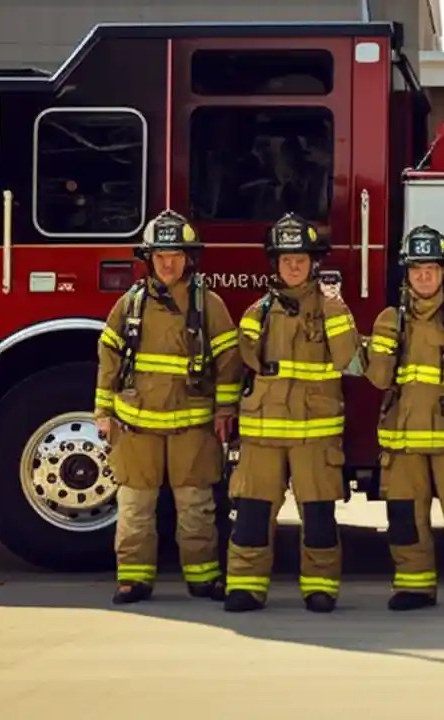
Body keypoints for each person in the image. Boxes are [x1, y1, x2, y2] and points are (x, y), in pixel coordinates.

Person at [95, 209, 242, 605]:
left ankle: (203, 577)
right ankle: (133, 580)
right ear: (149, 259)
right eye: (160, 256)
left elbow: (229, 363)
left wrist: (225, 412)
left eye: (175, 255)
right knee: (135, 507)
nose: (168, 263)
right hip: (135, 427)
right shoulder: (130, 305)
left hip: (192, 429)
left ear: (188, 258)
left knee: (196, 507)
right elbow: (109, 360)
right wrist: (103, 414)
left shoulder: (210, 305)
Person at [223, 212, 361, 614]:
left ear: (314, 263)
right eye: (286, 260)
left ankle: (320, 588)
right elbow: (238, 368)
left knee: (318, 514)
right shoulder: (256, 313)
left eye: (301, 259)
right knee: (251, 513)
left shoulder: (334, 310)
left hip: (314, 435)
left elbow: (349, 360)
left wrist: (335, 312)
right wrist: (225, 412)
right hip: (262, 434)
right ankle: (245, 588)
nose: (294, 266)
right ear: (276, 265)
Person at [364, 224, 444, 615]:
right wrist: (383, 348)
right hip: (403, 441)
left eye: (432, 269)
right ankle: (414, 587)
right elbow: (378, 380)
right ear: (406, 273)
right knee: (405, 519)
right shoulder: (390, 320)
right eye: (417, 269)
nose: (424, 276)